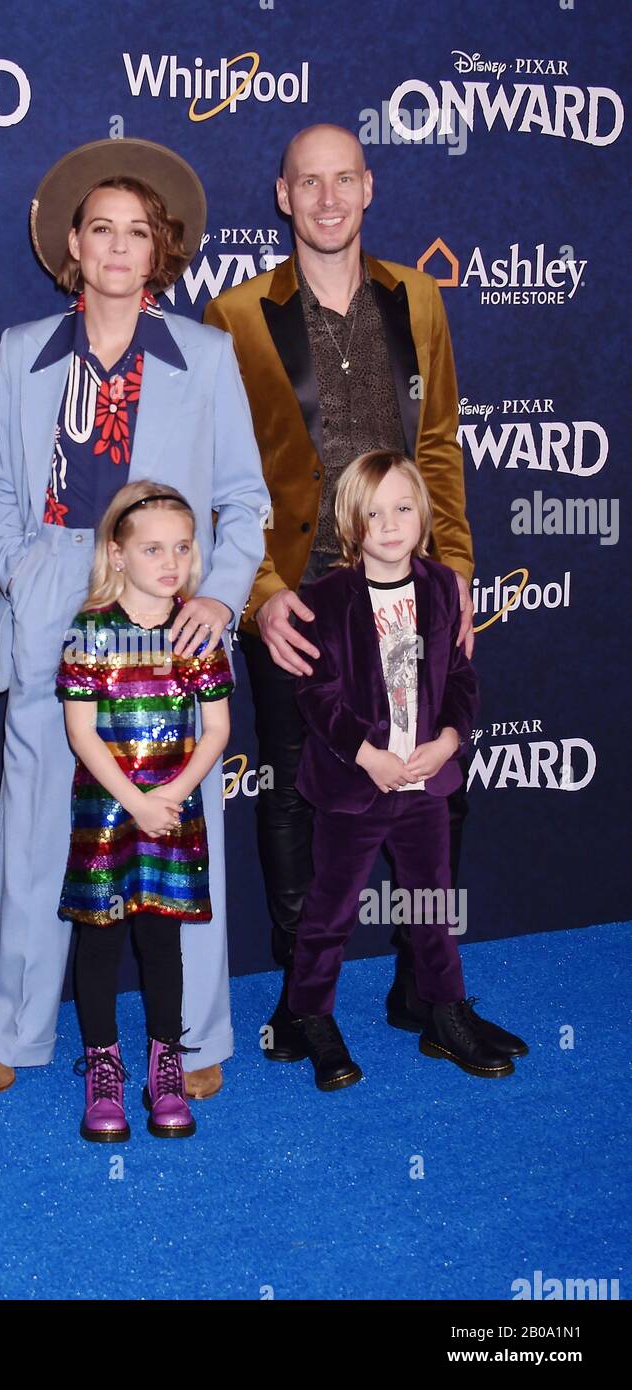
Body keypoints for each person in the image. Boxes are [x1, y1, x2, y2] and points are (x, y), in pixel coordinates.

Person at [203, 123, 526, 1062]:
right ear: (281, 195)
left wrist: (455, 569)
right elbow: (226, 471)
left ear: (369, 187)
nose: (328, 199)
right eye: (309, 183)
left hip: (411, 591)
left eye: (343, 179)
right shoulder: (236, 315)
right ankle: (307, 1006)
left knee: (435, 793)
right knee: (298, 797)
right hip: (299, 602)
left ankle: (424, 996)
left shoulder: (414, 295)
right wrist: (260, 591)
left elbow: (438, 446)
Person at [0, 139, 268, 1101]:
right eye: (101, 228)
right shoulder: (21, 351)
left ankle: (192, 1033)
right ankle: (12, 1029)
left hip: (166, 599)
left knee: (183, 820)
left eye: (137, 233)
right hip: (54, 585)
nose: (117, 246)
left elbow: (243, 500)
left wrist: (218, 596)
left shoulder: (207, 355)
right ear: (73, 243)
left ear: (159, 252)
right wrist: (22, 567)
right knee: (37, 826)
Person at [284, 451, 517, 1088]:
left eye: (403, 509)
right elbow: (314, 693)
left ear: (424, 515)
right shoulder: (327, 599)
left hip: (425, 783)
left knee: (433, 906)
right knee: (330, 910)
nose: (390, 524)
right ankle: (311, 1018)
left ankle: (444, 1013)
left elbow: (461, 679)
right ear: (351, 525)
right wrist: (366, 754)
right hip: (354, 787)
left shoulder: (442, 586)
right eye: (374, 513)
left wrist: (447, 739)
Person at [57, 483, 233, 1141]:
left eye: (182, 548)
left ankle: (165, 1062)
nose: (170, 561)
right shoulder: (90, 632)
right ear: (118, 554)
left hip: (172, 812)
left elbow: (215, 730)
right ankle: (102, 1066)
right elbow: (81, 734)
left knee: (162, 941)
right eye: (153, 548)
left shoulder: (196, 632)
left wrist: (173, 795)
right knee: (99, 936)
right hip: (106, 813)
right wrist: (133, 800)